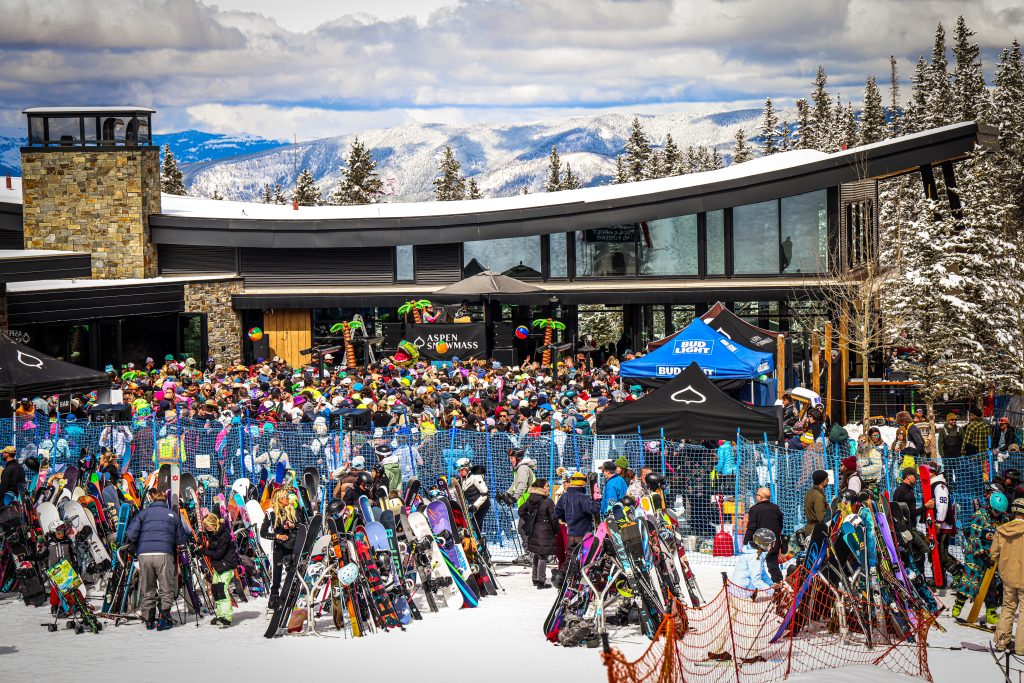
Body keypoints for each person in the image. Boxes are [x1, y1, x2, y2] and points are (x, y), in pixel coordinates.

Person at [707, 528, 779, 663]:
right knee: (752, 623)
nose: (772, 547)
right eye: (771, 544)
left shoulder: (754, 552)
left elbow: (762, 574)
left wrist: (772, 584)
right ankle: (749, 655)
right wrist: (770, 591)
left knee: (729, 621)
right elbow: (757, 580)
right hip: (742, 594)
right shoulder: (755, 556)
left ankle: (716, 650)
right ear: (764, 544)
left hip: (734, 591)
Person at [125, 488, 189, 631]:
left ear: (153, 500)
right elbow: (181, 539)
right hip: (164, 553)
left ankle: (149, 620)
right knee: (166, 586)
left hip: (144, 554)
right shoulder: (172, 515)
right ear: (164, 501)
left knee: (147, 587)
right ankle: (163, 618)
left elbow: (131, 533)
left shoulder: (143, 514)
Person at [952, 487, 1007, 624]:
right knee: (970, 581)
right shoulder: (979, 515)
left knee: (991, 584)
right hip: (976, 554)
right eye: (995, 511)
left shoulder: (1003, 519)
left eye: (999, 512)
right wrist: (982, 555)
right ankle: (959, 603)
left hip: (992, 555)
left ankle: (991, 612)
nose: (996, 514)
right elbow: (974, 537)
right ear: (990, 506)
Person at [992, 497, 1024, 654]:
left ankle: (1002, 641)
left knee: (1007, 608)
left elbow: (994, 554)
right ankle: (1021, 647)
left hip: (1008, 577)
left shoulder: (1001, 530)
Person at [554, 472, 600, 577]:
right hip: (583, 534)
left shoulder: (565, 496)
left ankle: (564, 577)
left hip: (571, 533)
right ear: (582, 484)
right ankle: (579, 578)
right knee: (585, 558)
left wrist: (566, 519)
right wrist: (597, 500)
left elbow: (557, 512)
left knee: (570, 557)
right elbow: (595, 510)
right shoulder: (583, 497)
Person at [260, 489, 297, 616]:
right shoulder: (271, 512)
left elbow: (300, 527)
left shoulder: (291, 510)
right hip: (278, 547)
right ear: (279, 499)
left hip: (291, 546)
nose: (288, 499)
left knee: (291, 574)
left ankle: (289, 600)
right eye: (285, 497)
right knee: (276, 576)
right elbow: (263, 533)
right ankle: (273, 602)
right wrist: (277, 536)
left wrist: (292, 526)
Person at [200, 512, 240, 627]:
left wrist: (204, 551)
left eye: (207, 527)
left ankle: (226, 617)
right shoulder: (213, 533)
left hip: (225, 566)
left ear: (212, 525)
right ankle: (220, 615)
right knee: (215, 590)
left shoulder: (224, 534)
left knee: (222, 590)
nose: (206, 529)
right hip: (218, 566)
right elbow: (213, 547)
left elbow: (218, 553)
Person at [519, 478, 558, 589]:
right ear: (541, 487)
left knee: (537, 554)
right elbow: (553, 518)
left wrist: (530, 519)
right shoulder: (547, 501)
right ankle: (541, 581)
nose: (548, 487)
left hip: (534, 530)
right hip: (545, 531)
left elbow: (521, 511)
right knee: (543, 556)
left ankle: (535, 578)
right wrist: (556, 530)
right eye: (546, 486)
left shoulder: (530, 498)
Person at [891, 467, 932, 570]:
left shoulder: (898, 490)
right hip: (908, 530)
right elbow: (911, 514)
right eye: (915, 476)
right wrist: (925, 507)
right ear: (908, 476)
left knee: (915, 555)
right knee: (921, 553)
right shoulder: (907, 493)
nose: (916, 479)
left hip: (902, 530)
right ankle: (919, 580)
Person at [744, 487, 784, 583]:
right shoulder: (776, 508)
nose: (756, 496)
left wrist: (745, 542)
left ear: (761, 497)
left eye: (757, 495)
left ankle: (755, 588)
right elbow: (780, 525)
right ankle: (779, 585)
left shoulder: (754, 509)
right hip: (773, 542)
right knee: (773, 565)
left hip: (759, 543)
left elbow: (751, 527)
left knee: (756, 566)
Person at [456, 457, 490, 532]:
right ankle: (480, 543)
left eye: (462, 470)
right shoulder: (463, 480)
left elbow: (485, 493)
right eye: (459, 471)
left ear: (467, 468)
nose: (460, 472)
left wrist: (476, 505)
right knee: (477, 530)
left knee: (472, 527)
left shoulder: (475, 476)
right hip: (474, 508)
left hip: (482, 506)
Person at [802, 470, 829, 538]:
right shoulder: (819, 496)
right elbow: (820, 517)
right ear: (822, 481)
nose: (828, 481)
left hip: (809, 528)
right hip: (816, 530)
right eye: (826, 479)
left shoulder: (809, 492)